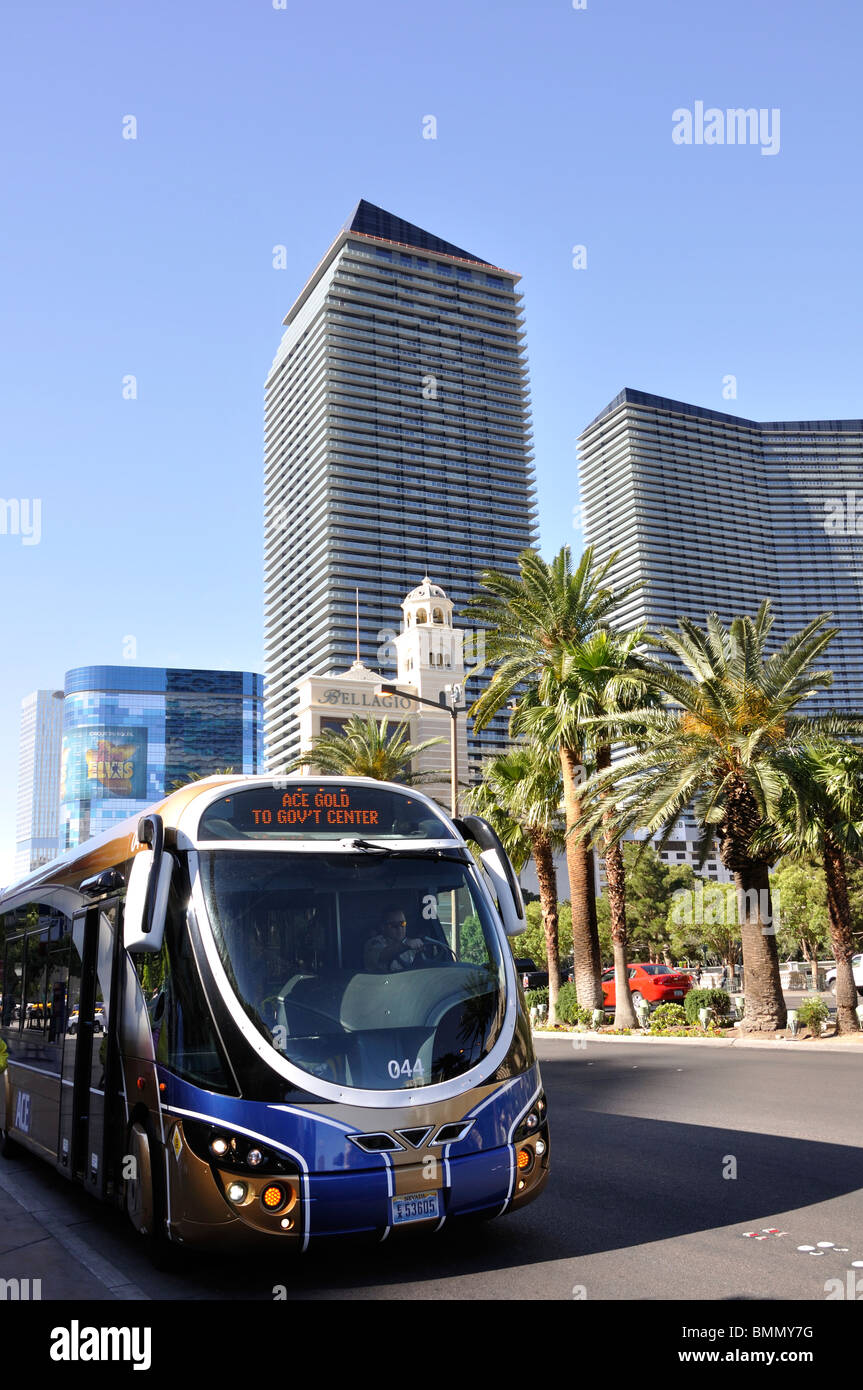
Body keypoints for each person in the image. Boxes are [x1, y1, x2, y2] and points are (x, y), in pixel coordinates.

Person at [364, 907, 425, 972]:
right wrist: (405, 945)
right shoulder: (374, 943)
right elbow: (381, 955)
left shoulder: (410, 942)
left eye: (402, 923)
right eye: (394, 925)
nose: (399, 928)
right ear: (383, 927)